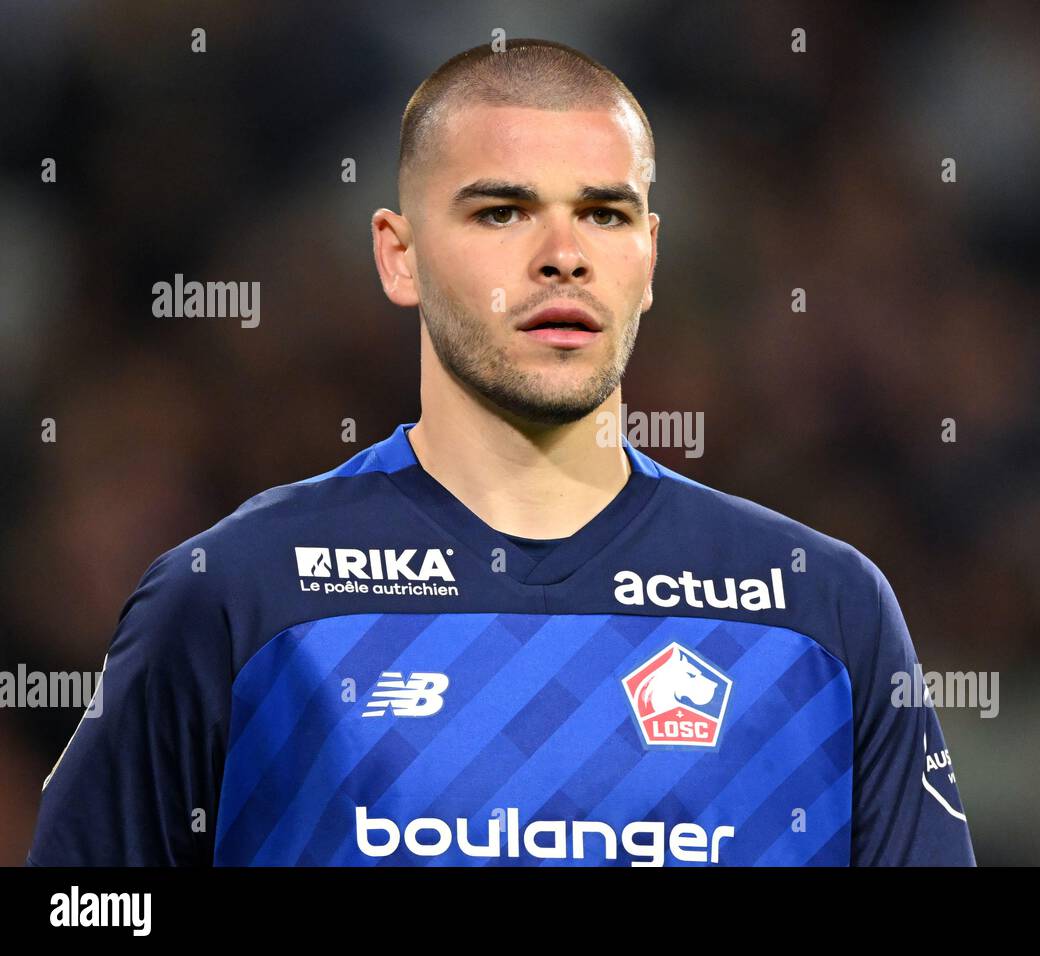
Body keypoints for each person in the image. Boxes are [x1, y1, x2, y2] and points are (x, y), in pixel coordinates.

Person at [27, 38, 975, 866]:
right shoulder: (240, 595)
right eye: (501, 212)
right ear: (398, 256)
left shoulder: (821, 608)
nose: (563, 254)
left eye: (603, 214)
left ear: (650, 256)